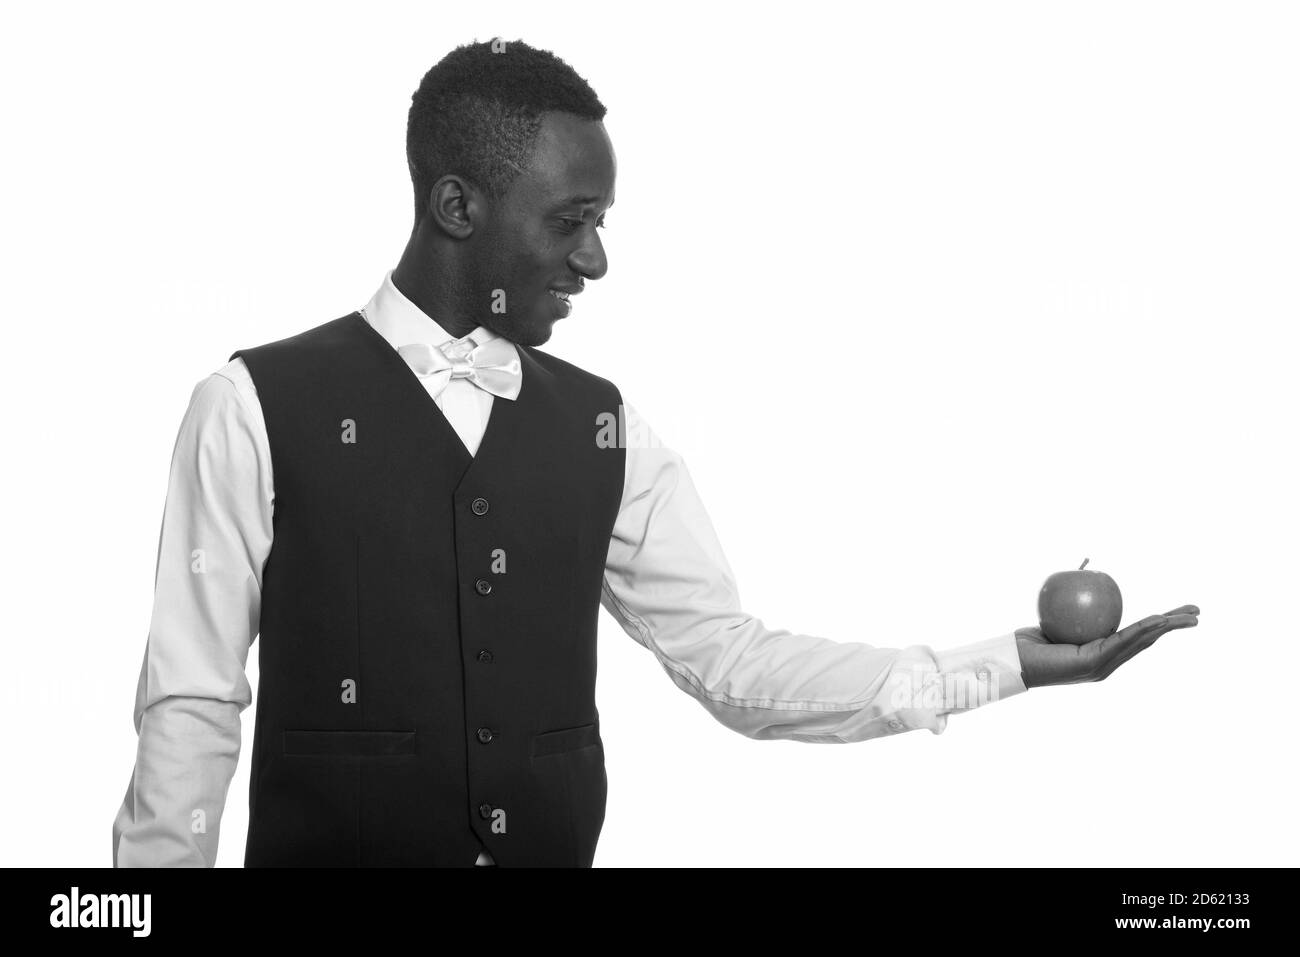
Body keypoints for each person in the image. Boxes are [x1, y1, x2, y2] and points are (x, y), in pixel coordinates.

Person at [112, 38, 1200, 868]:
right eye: (570, 219)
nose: (595, 258)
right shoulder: (251, 404)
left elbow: (731, 663)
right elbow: (193, 707)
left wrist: (1004, 663)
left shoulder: (606, 427)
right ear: (456, 207)